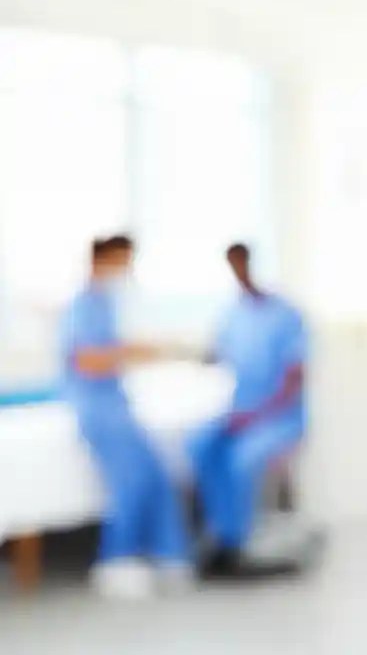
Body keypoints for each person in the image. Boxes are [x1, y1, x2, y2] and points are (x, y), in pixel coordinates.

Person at [59, 234, 193, 599]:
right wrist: (133, 351)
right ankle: (115, 560)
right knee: (130, 480)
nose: (127, 270)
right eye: (123, 261)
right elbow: (87, 360)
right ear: (102, 259)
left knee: (157, 474)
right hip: (97, 409)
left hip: (117, 405)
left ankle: (170, 555)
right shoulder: (81, 306)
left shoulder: (105, 304)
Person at [188, 243, 307, 576]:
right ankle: (224, 536)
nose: (238, 272)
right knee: (200, 445)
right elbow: (215, 354)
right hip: (239, 413)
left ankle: (243, 542)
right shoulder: (232, 314)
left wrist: (256, 415)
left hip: (278, 417)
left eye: (241, 264)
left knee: (242, 459)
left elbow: (294, 379)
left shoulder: (285, 313)